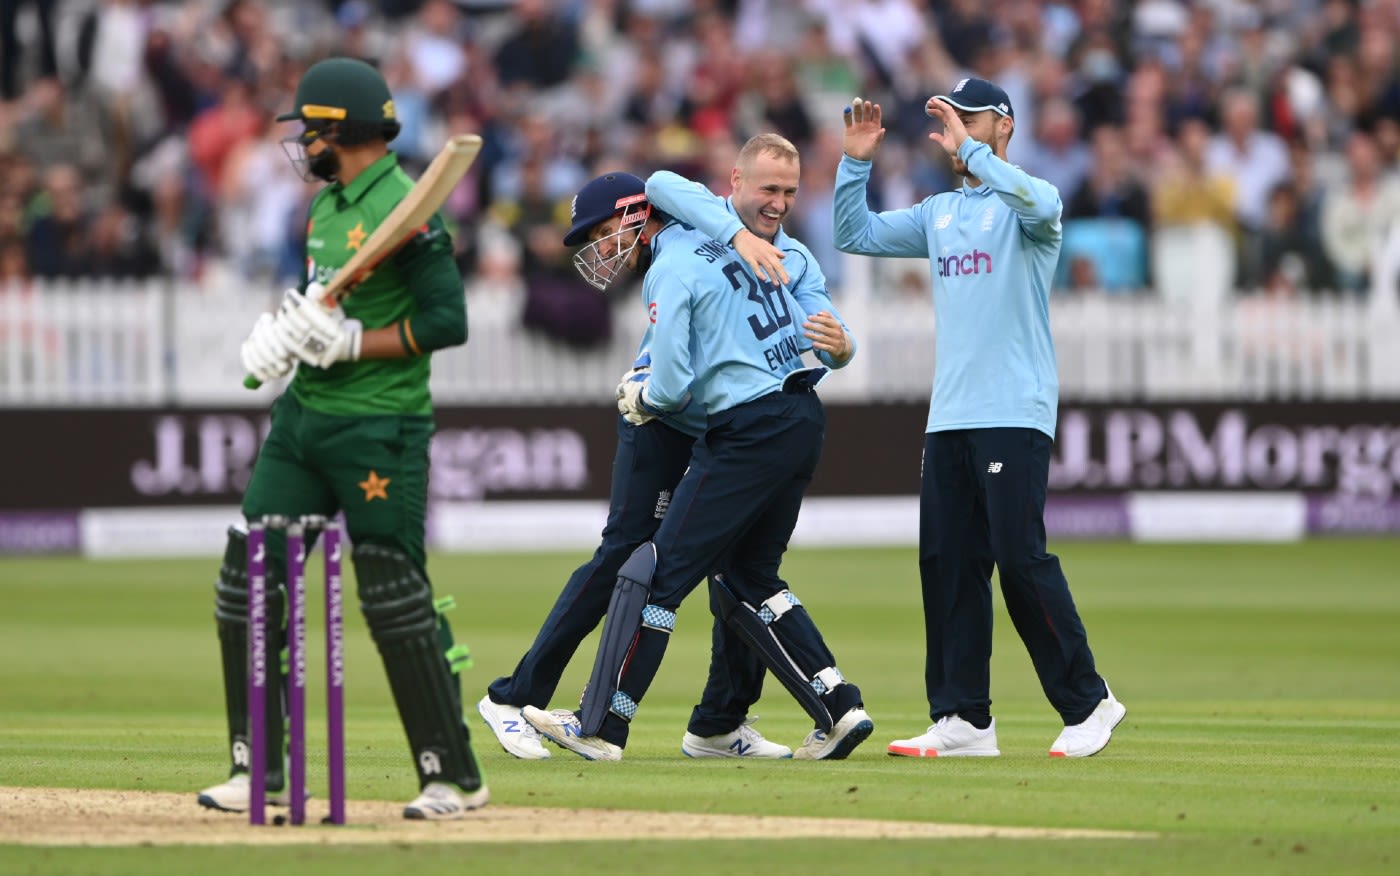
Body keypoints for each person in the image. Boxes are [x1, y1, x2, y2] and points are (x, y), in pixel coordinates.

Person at [477, 135, 856, 762]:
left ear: (630, 215)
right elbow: (666, 185)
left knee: (735, 573)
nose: (598, 249)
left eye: (599, 232)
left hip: (713, 418)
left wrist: (840, 347)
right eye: (769, 190)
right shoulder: (701, 228)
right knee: (628, 558)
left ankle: (720, 720)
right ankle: (514, 697)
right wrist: (736, 238)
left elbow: (667, 192)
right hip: (665, 418)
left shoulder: (739, 241)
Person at [197, 56, 488, 820]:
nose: (302, 146)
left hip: (378, 426)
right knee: (250, 580)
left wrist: (354, 344)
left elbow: (446, 322)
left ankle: (451, 776)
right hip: (301, 421)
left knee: (391, 593)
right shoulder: (326, 208)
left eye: (309, 132)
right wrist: (288, 332)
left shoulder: (408, 207)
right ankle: (260, 770)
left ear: (339, 131)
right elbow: (325, 296)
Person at [833, 79, 1126, 758]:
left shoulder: (1027, 206)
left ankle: (1090, 701)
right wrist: (855, 163)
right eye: (950, 121)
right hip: (951, 414)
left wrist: (980, 155)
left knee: (1019, 558)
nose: (956, 131)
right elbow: (855, 233)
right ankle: (965, 718)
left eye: (972, 120)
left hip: (1014, 407)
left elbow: (1045, 201)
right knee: (948, 564)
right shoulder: (939, 214)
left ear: (1005, 127)